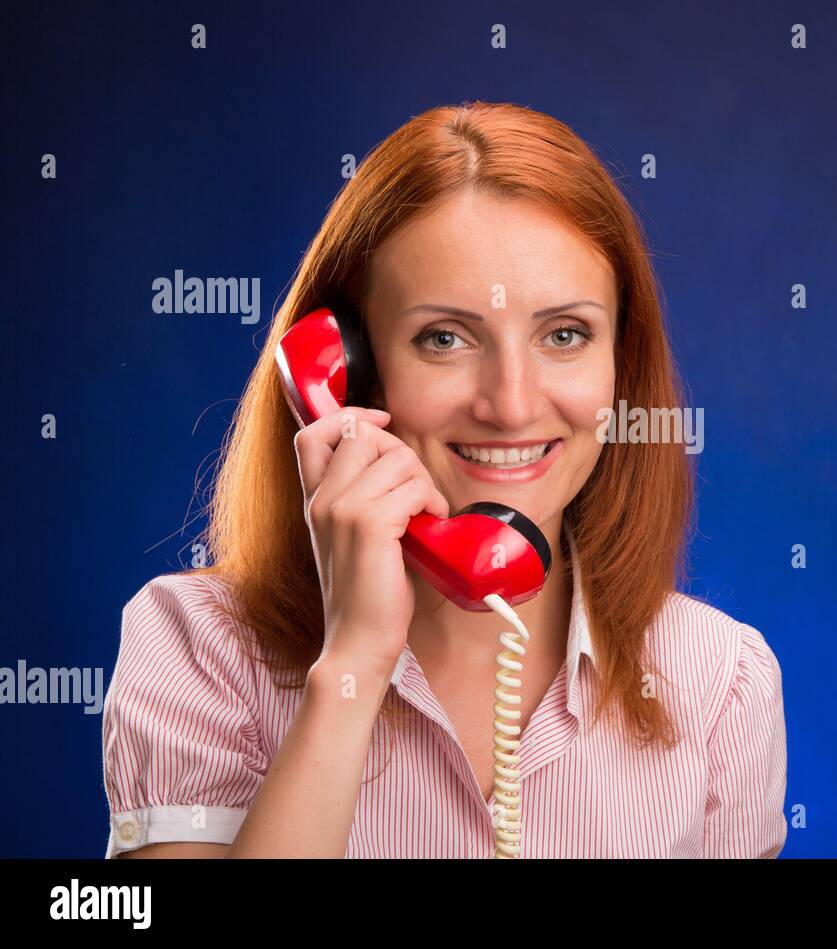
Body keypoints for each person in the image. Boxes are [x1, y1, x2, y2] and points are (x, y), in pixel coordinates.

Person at [101, 101, 787, 858]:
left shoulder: (720, 682)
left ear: (620, 364)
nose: (512, 403)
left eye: (564, 334)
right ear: (349, 371)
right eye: (445, 338)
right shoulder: (199, 648)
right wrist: (353, 665)